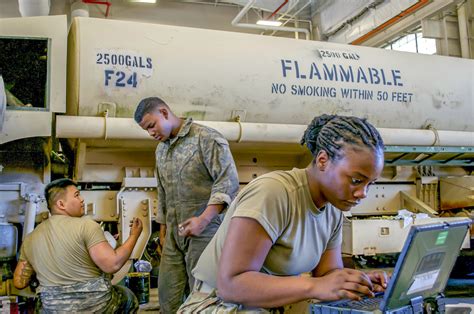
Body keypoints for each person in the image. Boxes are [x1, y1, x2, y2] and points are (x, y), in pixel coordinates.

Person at [179, 114, 389, 313]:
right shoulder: (273, 193)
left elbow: (327, 275)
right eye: (356, 180)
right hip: (219, 304)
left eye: (370, 184)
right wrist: (313, 286)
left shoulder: (333, 209)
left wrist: (358, 283)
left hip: (274, 306)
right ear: (323, 160)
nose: (363, 193)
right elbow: (231, 285)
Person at [134, 97, 239, 313]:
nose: (151, 133)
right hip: (174, 236)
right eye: (146, 130)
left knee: (204, 300)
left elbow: (227, 182)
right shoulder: (161, 150)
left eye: (151, 126)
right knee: (168, 298)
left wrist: (203, 219)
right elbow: (162, 191)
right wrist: (164, 231)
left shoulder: (206, 139)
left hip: (206, 233)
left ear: (164, 112)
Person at [13, 178, 143, 313]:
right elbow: (112, 265)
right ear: (61, 204)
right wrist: (134, 236)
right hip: (95, 306)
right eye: (76, 195)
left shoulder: (30, 238)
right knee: (128, 297)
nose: (81, 199)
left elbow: (19, 282)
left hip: (53, 309)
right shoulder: (86, 226)